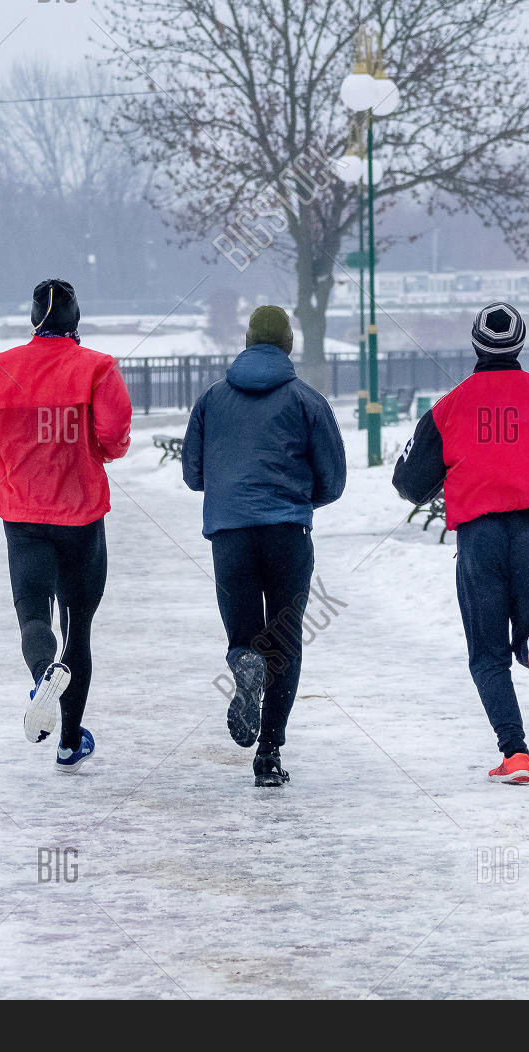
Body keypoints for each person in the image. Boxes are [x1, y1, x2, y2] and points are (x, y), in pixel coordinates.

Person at [393, 302, 529, 784]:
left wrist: (436, 481)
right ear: (520, 344)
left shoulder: (448, 407)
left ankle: (515, 755)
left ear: (475, 344)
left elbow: (408, 479)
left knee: (486, 654)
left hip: (478, 536)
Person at [0, 278, 132, 773]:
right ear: (75, 320)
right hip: (81, 512)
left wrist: (13, 458)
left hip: (22, 514)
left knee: (31, 608)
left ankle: (41, 675)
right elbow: (114, 436)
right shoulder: (97, 367)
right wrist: (93, 453)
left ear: (33, 319)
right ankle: (70, 741)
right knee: (78, 626)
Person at [183, 306, 346, 787]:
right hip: (287, 536)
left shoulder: (212, 400)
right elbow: (333, 480)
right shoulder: (307, 401)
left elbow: (193, 474)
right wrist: (296, 500)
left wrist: (229, 487)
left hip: (230, 534)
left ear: (248, 340)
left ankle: (242, 662)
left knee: (244, 636)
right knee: (285, 642)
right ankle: (269, 755)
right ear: (289, 344)